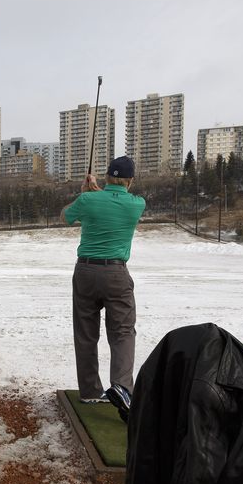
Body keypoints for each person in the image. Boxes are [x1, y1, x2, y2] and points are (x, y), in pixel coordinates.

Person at [61, 156, 146, 404]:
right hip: (117, 273)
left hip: (85, 271)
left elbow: (65, 216)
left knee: (85, 334)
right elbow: (115, 199)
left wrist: (85, 193)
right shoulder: (137, 204)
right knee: (122, 332)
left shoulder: (87, 199)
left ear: (108, 176)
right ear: (130, 181)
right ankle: (122, 388)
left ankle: (90, 392)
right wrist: (95, 193)